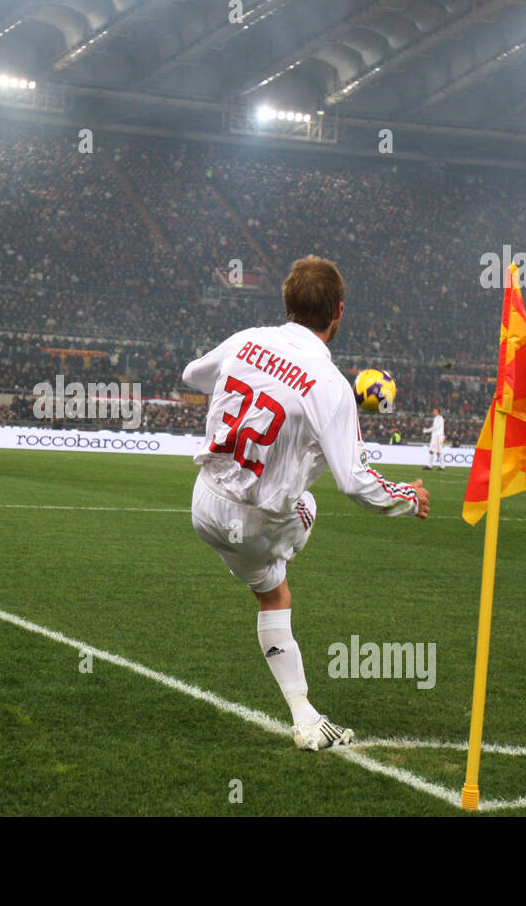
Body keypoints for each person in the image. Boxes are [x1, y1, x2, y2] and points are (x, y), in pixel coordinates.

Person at [183, 256, 429, 752]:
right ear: (338, 313)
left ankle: (306, 716)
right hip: (258, 520)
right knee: (307, 506)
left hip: (204, 503)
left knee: (274, 596)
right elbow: (355, 483)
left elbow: (193, 376)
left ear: (287, 302)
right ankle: (306, 720)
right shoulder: (332, 386)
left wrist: (250, 381)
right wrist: (409, 497)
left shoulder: (247, 339)